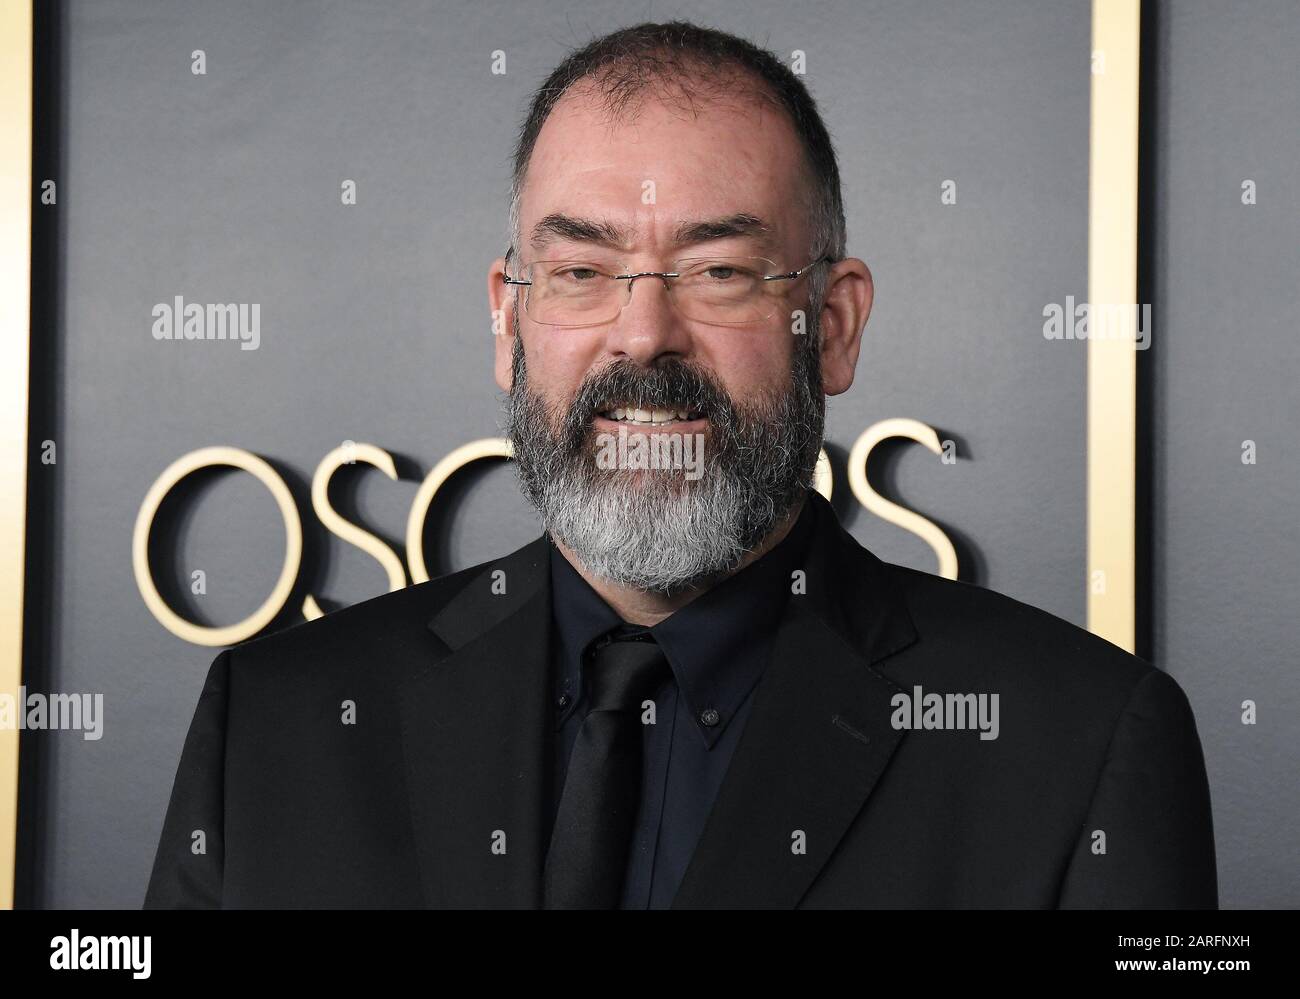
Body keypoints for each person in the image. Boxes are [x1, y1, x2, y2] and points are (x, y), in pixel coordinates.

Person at [145, 20, 1217, 909]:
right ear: (506, 323)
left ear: (832, 326)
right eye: (580, 269)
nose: (641, 333)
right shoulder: (277, 723)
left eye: (719, 271)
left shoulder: (1078, 748)